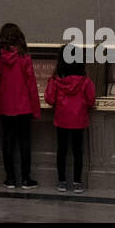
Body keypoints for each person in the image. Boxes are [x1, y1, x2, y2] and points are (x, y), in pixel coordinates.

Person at [0, 23, 42, 190]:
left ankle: (10, 178)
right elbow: (31, 85)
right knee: (25, 143)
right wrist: (36, 109)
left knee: (7, 143)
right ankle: (26, 178)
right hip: (24, 107)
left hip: (6, 107)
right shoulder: (24, 58)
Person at [44, 55, 96, 193]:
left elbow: (49, 99)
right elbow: (91, 100)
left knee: (61, 150)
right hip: (79, 120)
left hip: (61, 119)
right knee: (77, 151)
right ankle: (77, 182)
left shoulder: (56, 80)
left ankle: (61, 182)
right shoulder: (85, 81)